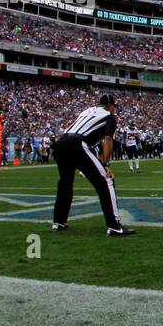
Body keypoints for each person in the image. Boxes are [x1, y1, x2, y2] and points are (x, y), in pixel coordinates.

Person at [51, 93, 135, 236]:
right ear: (110, 106)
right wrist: (107, 164)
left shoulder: (86, 111)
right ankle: (114, 226)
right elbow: (107, 140)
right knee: (106, 180)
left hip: (60, 143)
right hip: (77, 143)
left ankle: (59, 222)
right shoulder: (109, 116)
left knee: (65, 182)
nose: (114, 110)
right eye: (114, 107)